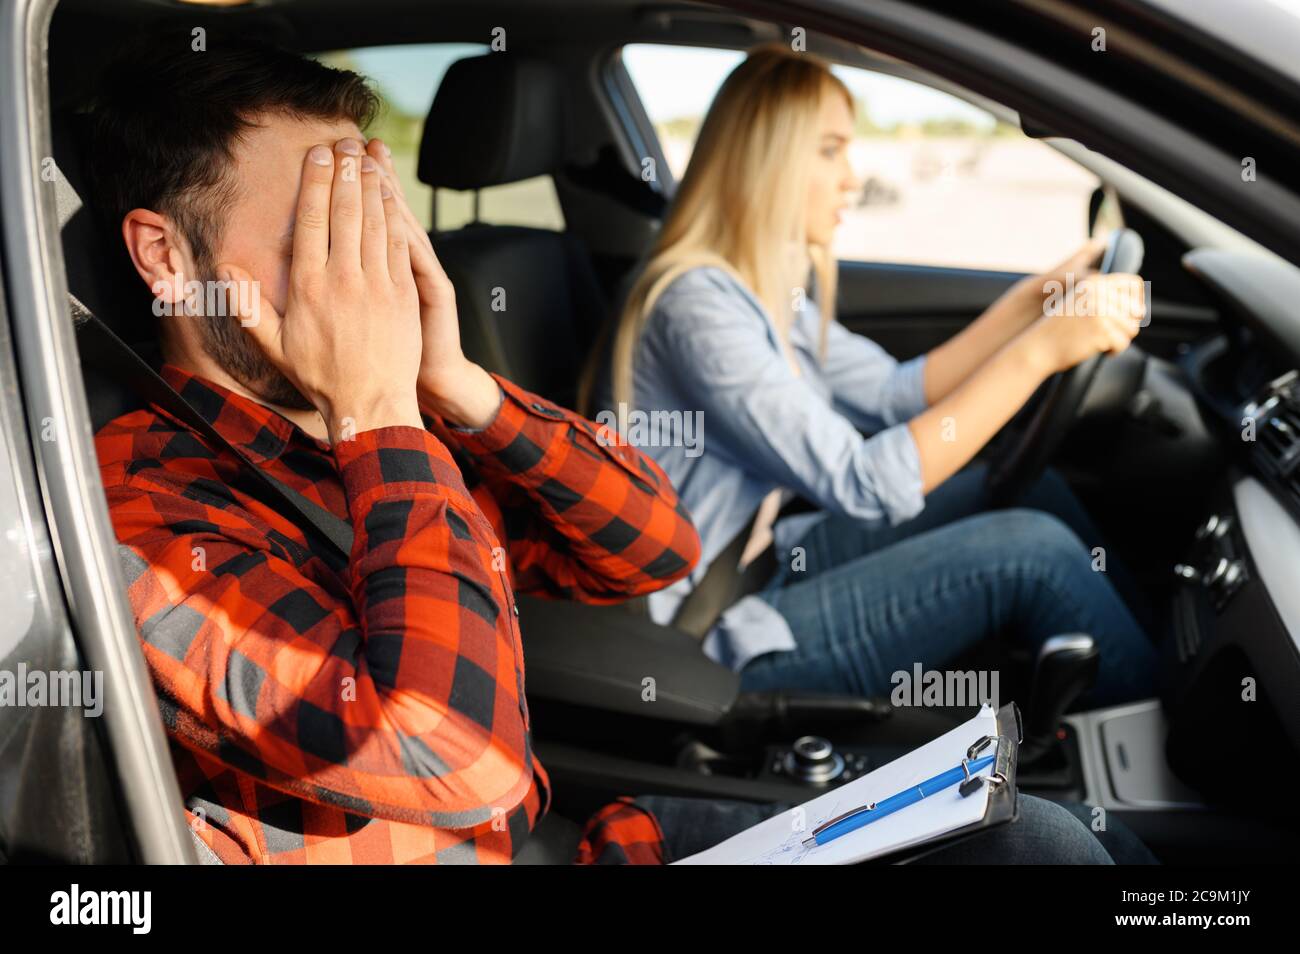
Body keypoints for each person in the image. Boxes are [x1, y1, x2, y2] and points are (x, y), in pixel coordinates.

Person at [85, 33, 1151, 864]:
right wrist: (379, 418)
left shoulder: (378, 422)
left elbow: (652, 547)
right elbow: (449, 758)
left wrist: (460, 387)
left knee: (1048, 837)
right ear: (168, 259)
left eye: (374, 217)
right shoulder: (142, 512)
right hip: (498, 827)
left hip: (566, 840)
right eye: (321, 232)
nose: (366, 269)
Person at [596, 44, 1159, 708]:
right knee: (1030, 552)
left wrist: (1036, 304)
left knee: (1034, 491)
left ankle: (1155, 669)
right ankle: (1183, 749)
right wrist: (1040, 353)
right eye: (831, 150)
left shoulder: (762, 282)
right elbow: (865, 483)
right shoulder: (697, 309)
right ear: (767, 159)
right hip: (711, 632)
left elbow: (897, 393)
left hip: (766, 559)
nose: (852, 179)